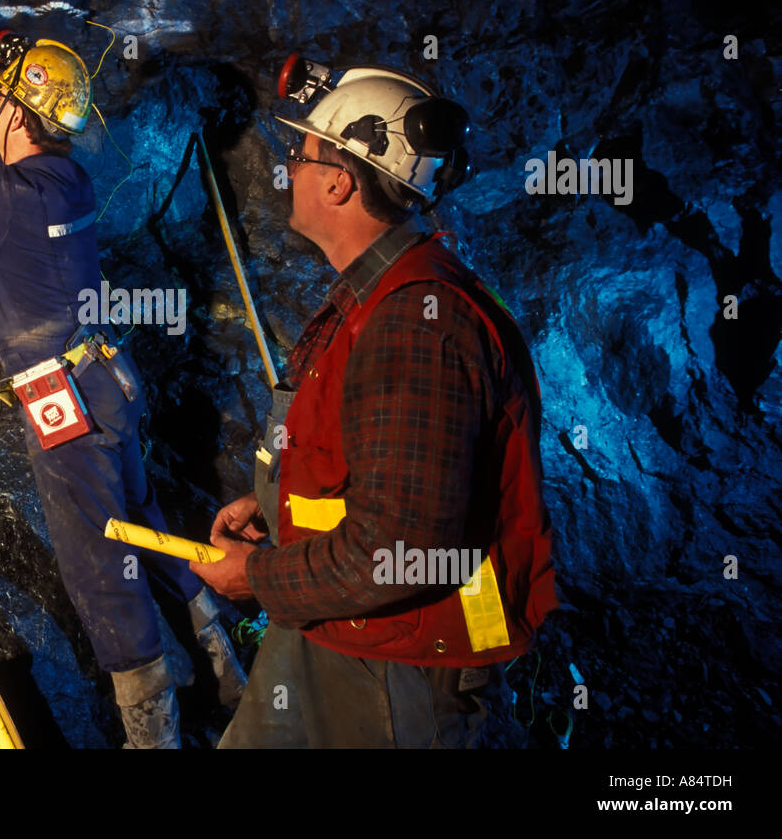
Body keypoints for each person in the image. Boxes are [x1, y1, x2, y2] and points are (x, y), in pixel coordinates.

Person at [0, 12, 245, 748]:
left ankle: (151, 729)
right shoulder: (60, 175)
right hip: (107, 379)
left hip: (64, 402)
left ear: (15, 110)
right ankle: (226, 668)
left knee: (101, 561)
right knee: (146, 524)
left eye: (0, 101)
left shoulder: (4, 202)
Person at [190, 62, 559, 747]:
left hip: (396, 664)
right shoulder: (380, 295)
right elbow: (375, 464)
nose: (290, 169)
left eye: (300, 154)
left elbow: (400, 546)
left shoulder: (415, 324)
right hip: (340, 627)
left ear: (339, 180)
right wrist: (279, 502)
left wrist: (257, 576)